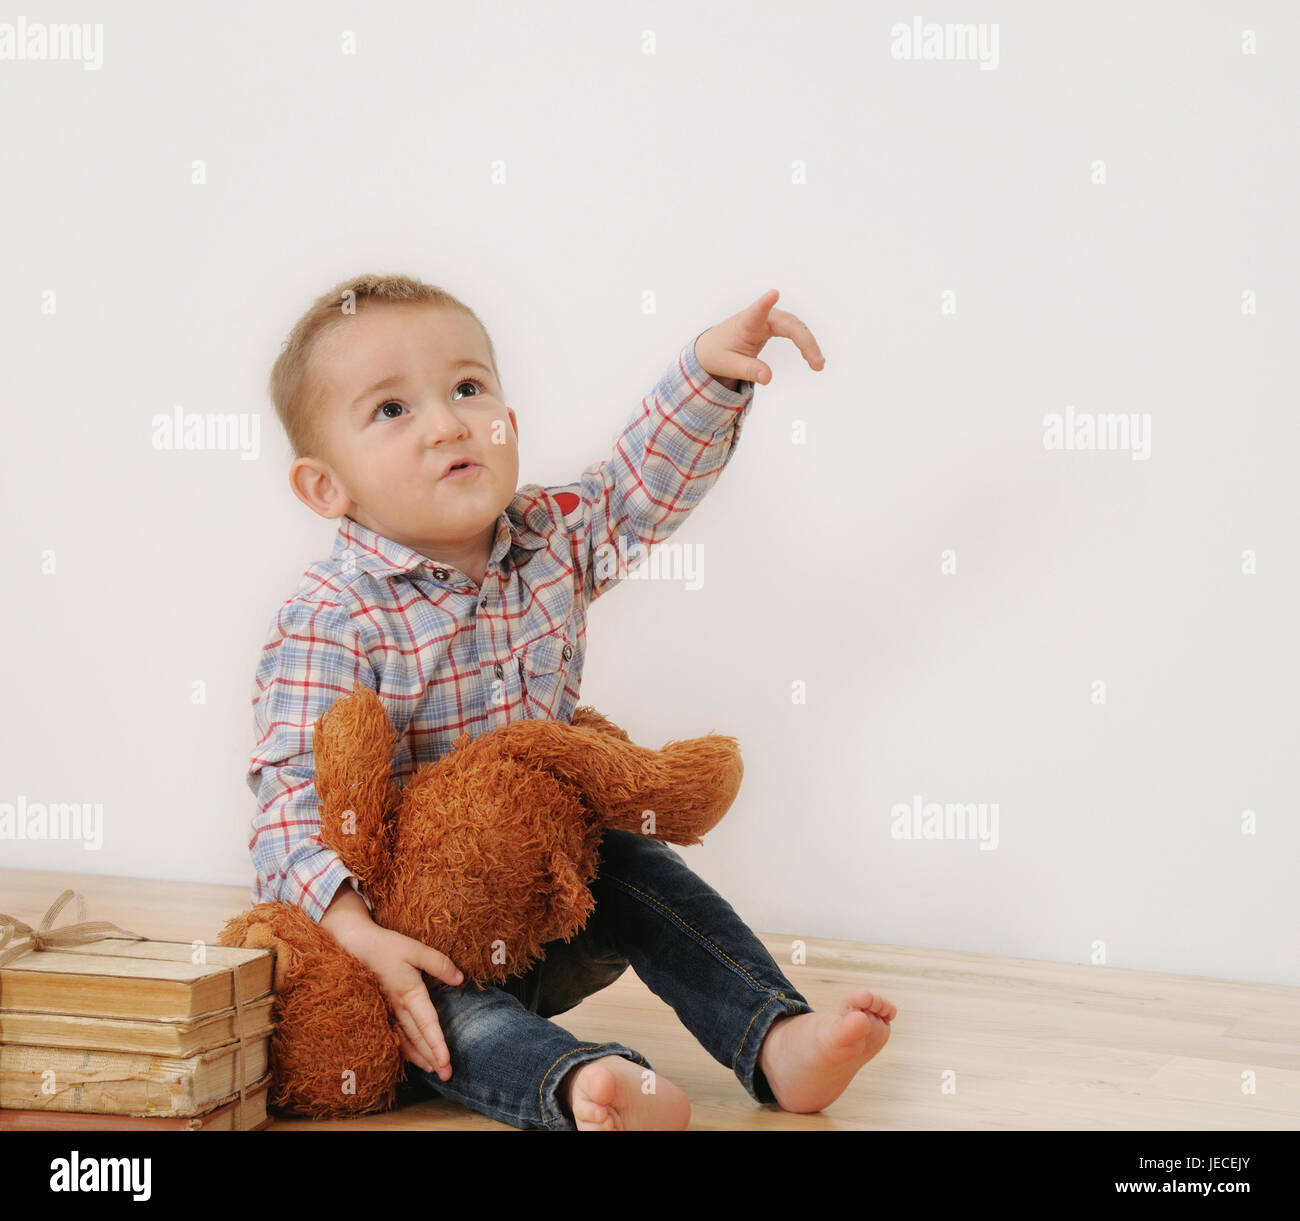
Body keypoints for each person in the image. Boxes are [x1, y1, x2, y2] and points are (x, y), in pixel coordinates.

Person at [246, 273, 896, 1129]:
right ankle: (577, 1084)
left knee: (635, 857)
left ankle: (774, 1035)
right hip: (421, 939)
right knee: (452, 1021)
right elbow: (288, 802)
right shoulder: (334, 617)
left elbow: (636, 488)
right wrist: (365, 938)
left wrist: (709, 374)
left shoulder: (550, 538)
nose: (448, 422)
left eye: (468, 387)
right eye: (392, 410)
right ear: (327, 488)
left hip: (553, 908)